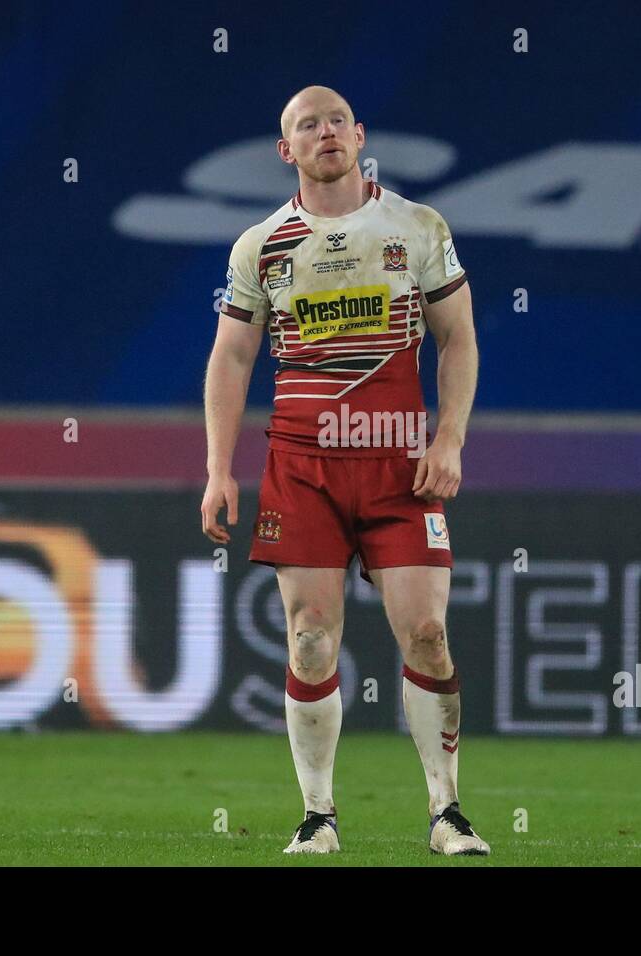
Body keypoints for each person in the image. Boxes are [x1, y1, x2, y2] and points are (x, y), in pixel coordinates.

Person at [201, 86, 485, 855]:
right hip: (304, 465)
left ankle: (446, 812)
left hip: (399, 463)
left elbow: (458, 339)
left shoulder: (417, 227)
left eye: (335, 121)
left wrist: (450, 439)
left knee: (427, 633)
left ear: (359, 136)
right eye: (305, 125)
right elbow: (232, 355)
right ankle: (319, 816)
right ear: (285, 150)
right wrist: (217, 469)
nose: (323, 133)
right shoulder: (260, 246)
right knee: (311, 641)